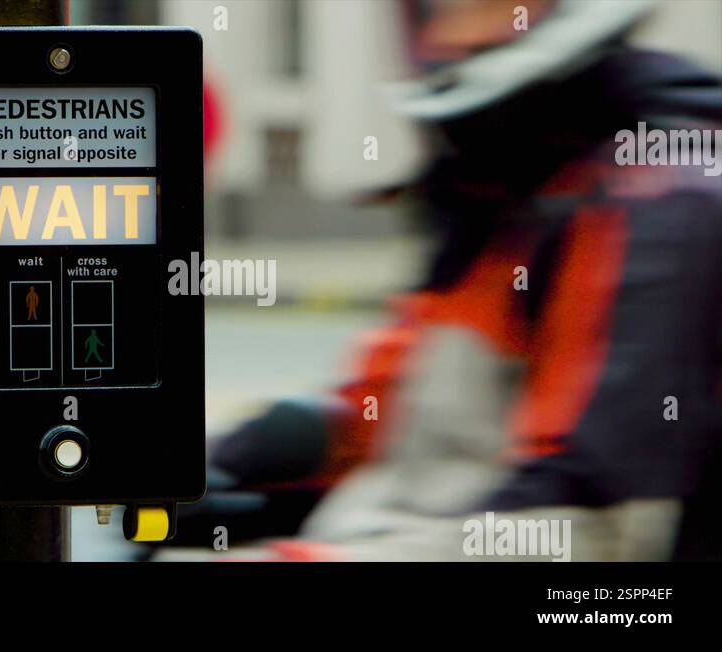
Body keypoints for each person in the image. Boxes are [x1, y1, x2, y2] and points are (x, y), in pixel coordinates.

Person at [166, 0, 722, 561]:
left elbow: (592, 521)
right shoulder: (502, 185)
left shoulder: (659, 194)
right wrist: (239, 456)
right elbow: (387, 409)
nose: (440, 27)